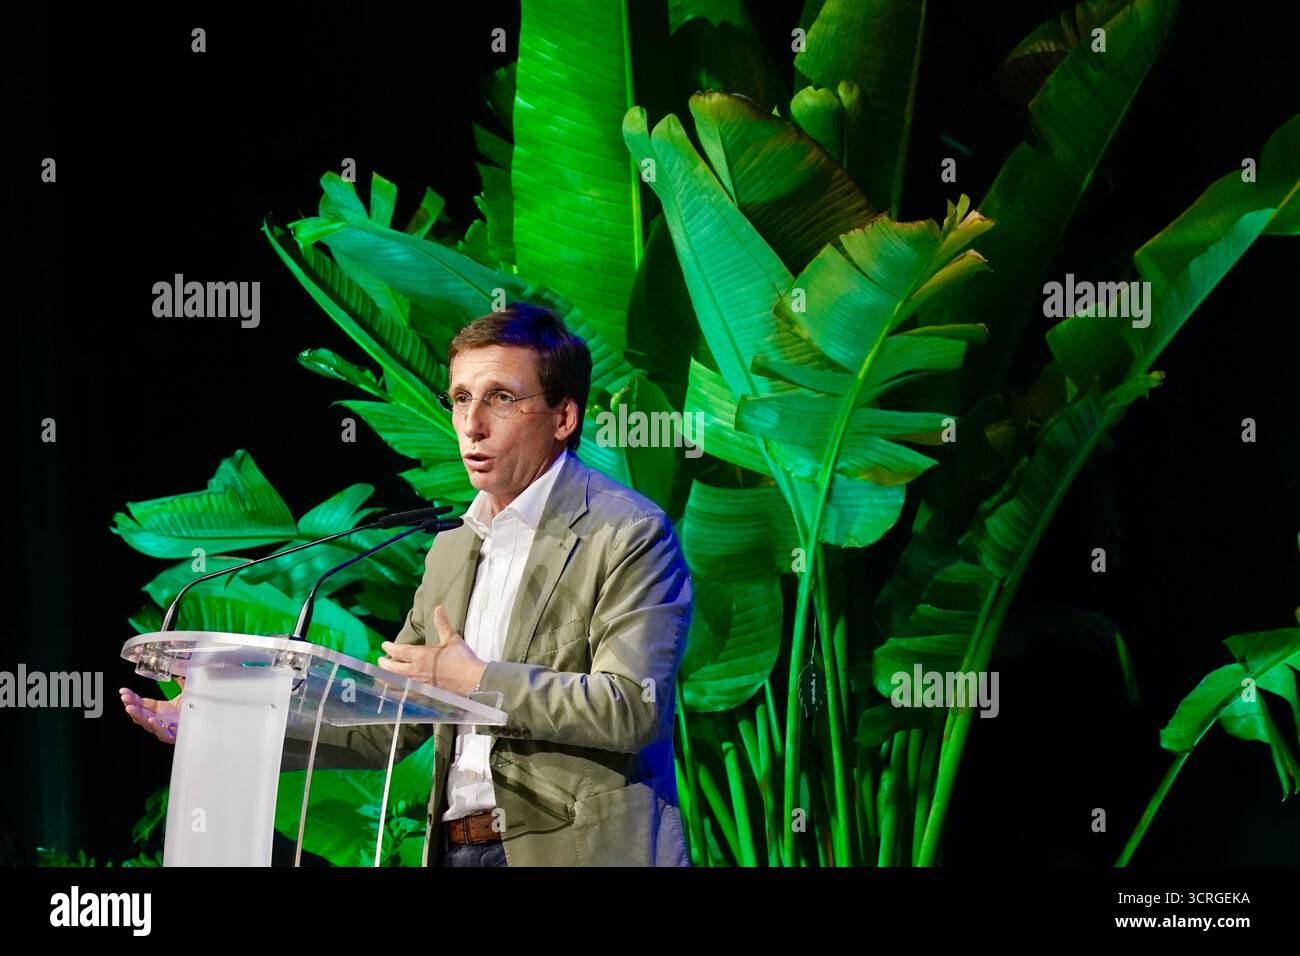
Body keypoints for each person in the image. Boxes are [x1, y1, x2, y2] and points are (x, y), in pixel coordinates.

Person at [121, 302, 693, 867]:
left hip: (576, 852)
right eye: (462, 398)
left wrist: (477, 681)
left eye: (501, 398)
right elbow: (386, 722)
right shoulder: (451, 547)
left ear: (563, 417)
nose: (472, 424)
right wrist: (224, 728)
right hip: (455, 849)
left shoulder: (626, 532)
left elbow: (630, 708)